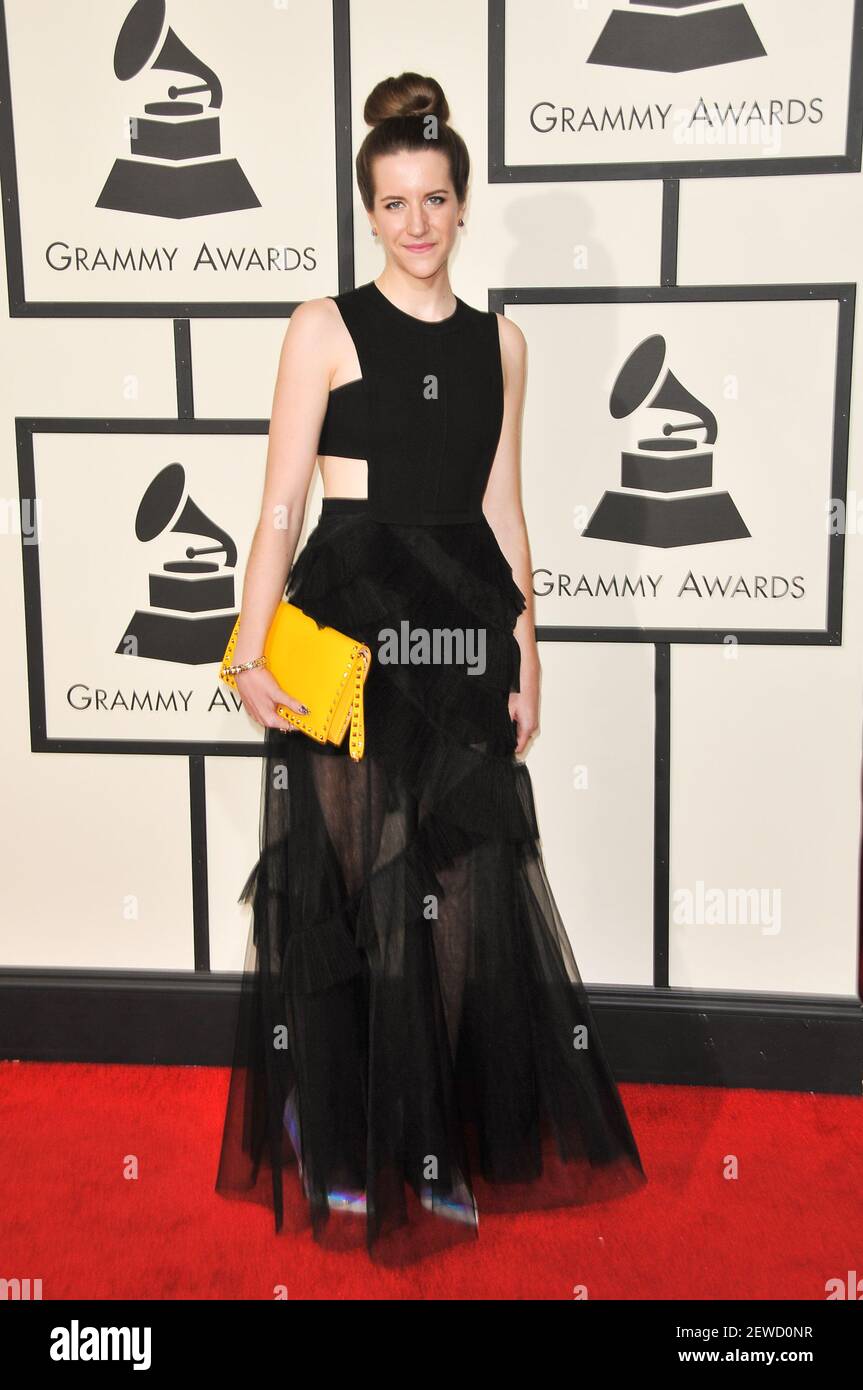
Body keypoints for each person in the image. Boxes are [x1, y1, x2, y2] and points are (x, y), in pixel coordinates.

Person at [215, 71, 647, 1265]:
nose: (415, 222)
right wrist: (246, 650)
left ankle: (438, 1144)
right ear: (368, 210)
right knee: (354, 893)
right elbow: (277, 506)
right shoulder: (323, 327)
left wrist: (527, 649)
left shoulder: (501, 346)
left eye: (435, 199)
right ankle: (350, 1147)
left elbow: (504, 510)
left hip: (459, 629)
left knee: (458, 898)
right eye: (393, 202)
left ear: (463, 206)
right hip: (348, 626)